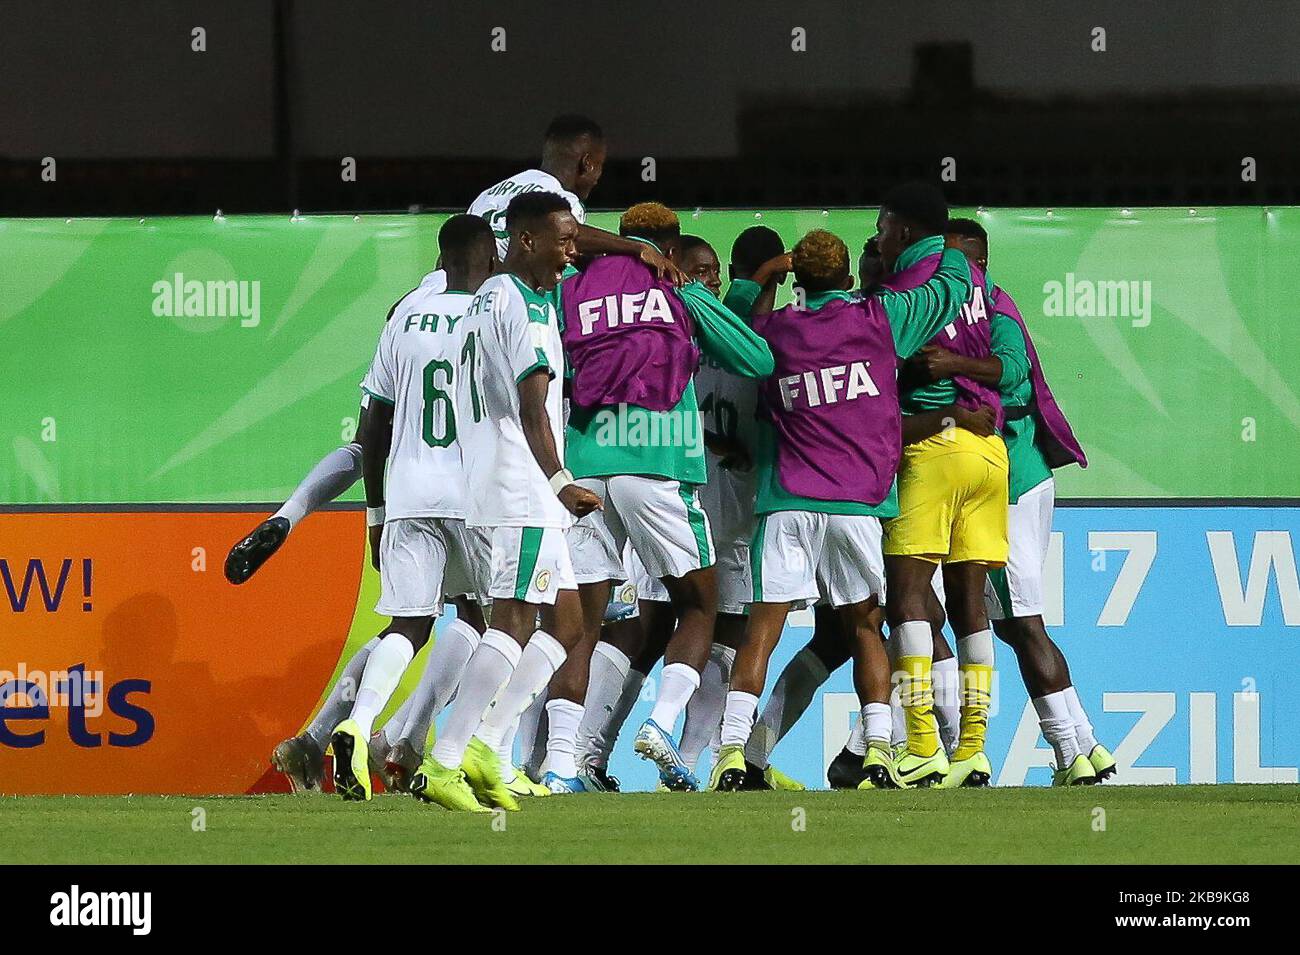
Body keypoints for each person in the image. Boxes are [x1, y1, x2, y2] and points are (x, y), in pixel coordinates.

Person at [224, 115, 681, 585]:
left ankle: (289, 514)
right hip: (481, 314)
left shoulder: (490, 193)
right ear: (587, 163)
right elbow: (567, 240)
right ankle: (563, 542)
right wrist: (632, 248)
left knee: (371, 440)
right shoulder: (557, 204)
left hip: (419, 301)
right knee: (520, 416)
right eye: (599, 168)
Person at [711, 227, 974, 792]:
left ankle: (732, 754)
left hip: (788, 505)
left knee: (763, 631)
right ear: (849, 277)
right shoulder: (879, 321)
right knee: (864, 629)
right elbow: (952, 288)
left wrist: (760, 278)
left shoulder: (774, 333)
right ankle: (880, 752)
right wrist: (940, 236)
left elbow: (721, 330)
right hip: (857, 504)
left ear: (797, 279)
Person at [547, 204, 774, 793]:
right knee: (701, 604)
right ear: (668, 248)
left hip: (585, 467)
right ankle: (662, 723)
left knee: (586, 623)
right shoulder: (676, 287)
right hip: (657, 463)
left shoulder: (572, 287)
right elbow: (756, 358)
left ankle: (561, 764)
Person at [409, 191, 602, 812]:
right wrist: (559, 480)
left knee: (568, 625)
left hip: (505, 482)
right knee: (516, 620)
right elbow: (531, 403)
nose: (573, 250)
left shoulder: (488, 298)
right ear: (525, 241)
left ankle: (489, 742)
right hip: (521, 486)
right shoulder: (524, 305)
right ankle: (445, 759)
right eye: (564, 239)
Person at [875, 183, 1009, 788]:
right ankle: (974, 749)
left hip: (934, 445)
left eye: (882, 227)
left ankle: (923, 742)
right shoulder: (973, 277)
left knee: (905, 598)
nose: (879, 238)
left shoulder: (911, 289)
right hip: (989, 450)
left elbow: (886, 358)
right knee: (970, 606)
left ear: (901, 230)